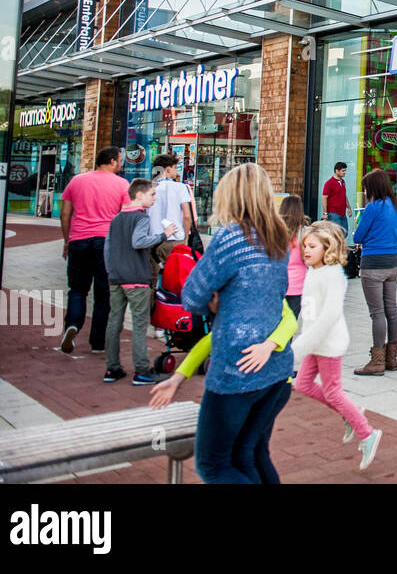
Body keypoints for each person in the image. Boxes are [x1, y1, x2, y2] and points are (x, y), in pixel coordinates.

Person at [181, 163, 295, 484]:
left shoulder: (231, 238)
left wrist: (213, 302)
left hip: (237, 367)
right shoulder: (279, 238)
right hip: (275, 368)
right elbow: (271, 293)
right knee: (247, 455)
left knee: (213, 464)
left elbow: (191, 296)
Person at [149, 297, 298, 482]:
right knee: (253, 451)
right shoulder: (239, 289)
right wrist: (179, 376)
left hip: (272, 385)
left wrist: (268, 346)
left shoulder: (261, 282)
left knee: (244, 454)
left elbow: (290, 320)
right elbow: (212, 338)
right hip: (264, 383)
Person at [292, 220, 382, 469]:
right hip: (315, 342)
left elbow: (329, 315)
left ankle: (367, 433)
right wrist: (302, 336)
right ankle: (351, 412)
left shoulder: (332, 276)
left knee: (332, 391)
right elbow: (308, 310)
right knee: (302, 383)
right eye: (304, 246)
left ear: (327, 248)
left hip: (328, 343)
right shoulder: (314, 272)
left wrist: (301, 345)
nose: (306, 251)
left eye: (311, 246)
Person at [103, 178, 178, 385]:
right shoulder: (141, 218)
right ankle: (142, 370)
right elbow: (139, 242)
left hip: (117, 277)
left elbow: (107, 248)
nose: (154, 198)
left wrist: (111, 270)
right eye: (152, 194)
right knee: (138, 324)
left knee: (114, 322)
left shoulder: (117, 218)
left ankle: (112, 368)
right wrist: (163, 235)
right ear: (139, 195)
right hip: (136, 278)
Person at [58, 147, 131, 354]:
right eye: (119, 160)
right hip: (106, 243)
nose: (122, 164)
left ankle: (72, 325)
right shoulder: (121, 184)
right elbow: (125, 217)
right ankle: (98, 341)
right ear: (111, 161)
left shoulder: (77, 181)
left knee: (77, 289)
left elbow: (65, 214)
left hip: (78, 241)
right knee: (104, 293)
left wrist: (67, 240)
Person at [352, 169, 397, 376]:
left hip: (373, 264)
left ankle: (377, 361)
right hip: (392, 263)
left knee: (377, 313)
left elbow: (358, 236)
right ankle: (392, 357)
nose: (365, 192)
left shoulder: (373, 208)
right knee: (392, 310)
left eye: (366, 188)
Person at [149, 154, 194, 287]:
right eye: (175, 168)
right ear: (167, 169)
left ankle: (151, 307)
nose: (176, 171)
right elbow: (187, 216)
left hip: (152, 239)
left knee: (151, 280)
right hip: (174, 239)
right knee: (173, 279)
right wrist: (185, 237)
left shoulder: (150, 187)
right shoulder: (180, 188)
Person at [279, 195, 308, 318]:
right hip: (297, 286)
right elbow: (307, 259)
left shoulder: (274, 232)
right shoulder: (304, 232)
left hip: (277, 284)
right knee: (290, 323)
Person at [322, 162, 354, 236]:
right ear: (336, 171)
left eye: (345, 170)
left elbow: (344, 195)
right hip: (333, 213)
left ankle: (340, 247)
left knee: (344, 234)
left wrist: (349, 208)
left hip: (342, 213)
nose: (344, 172)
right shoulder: (329, 183)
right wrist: (325, 213)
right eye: (343, 171)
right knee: (336, 234)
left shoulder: (342, 182)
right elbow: (324, 198)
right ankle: (336, 247)